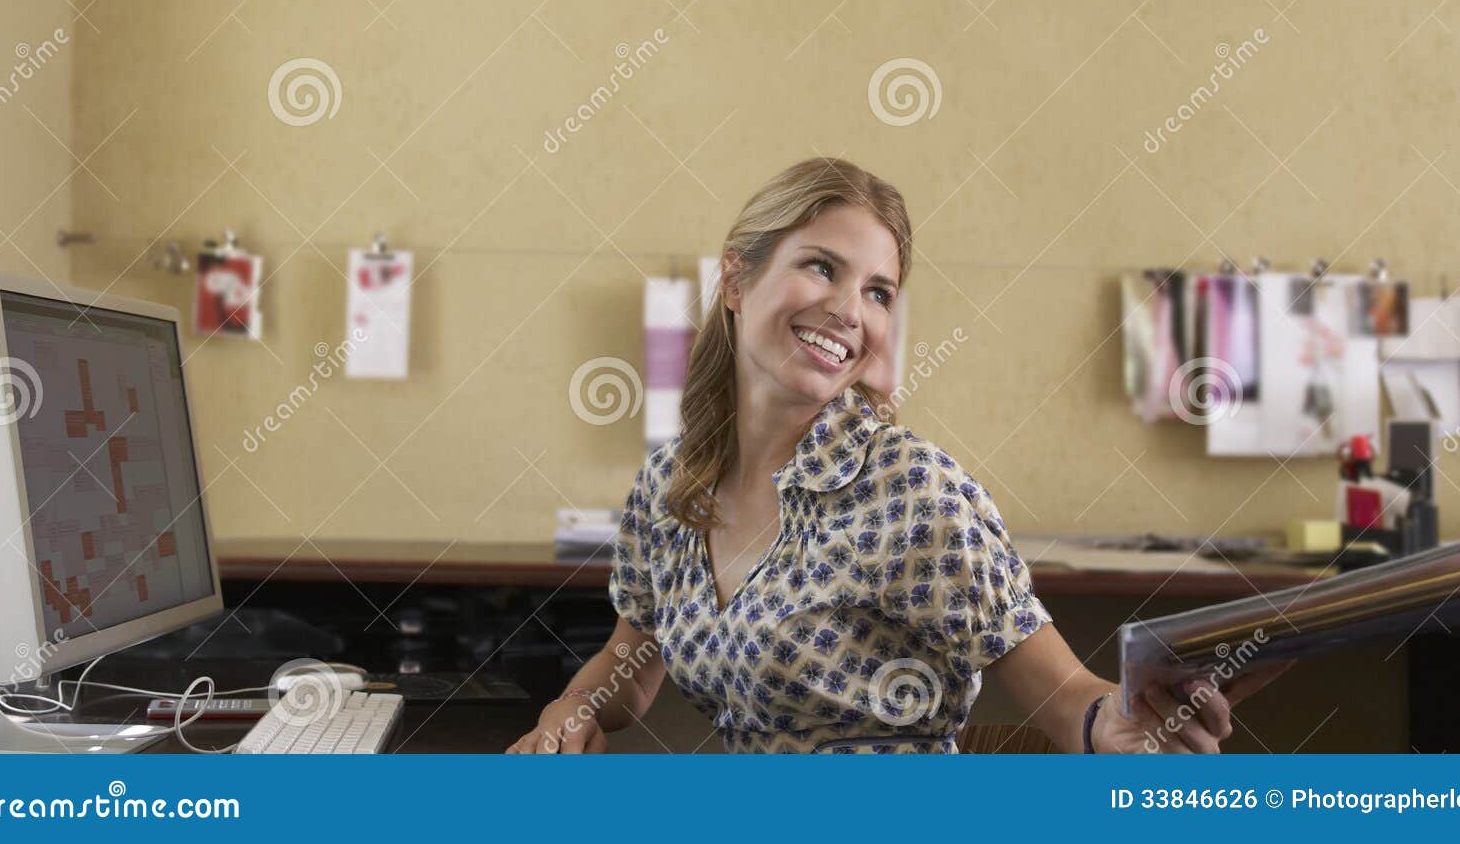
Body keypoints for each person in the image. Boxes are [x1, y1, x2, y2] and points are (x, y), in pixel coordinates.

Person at [508, 158, 1286, 753]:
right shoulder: (672, 484)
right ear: (736, 279)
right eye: (822, 266)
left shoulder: (912, 490)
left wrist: (1112, 724)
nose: (849, 310)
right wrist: (570, 709)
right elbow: (627, 665)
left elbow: (1065, 695)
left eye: (879, 291)